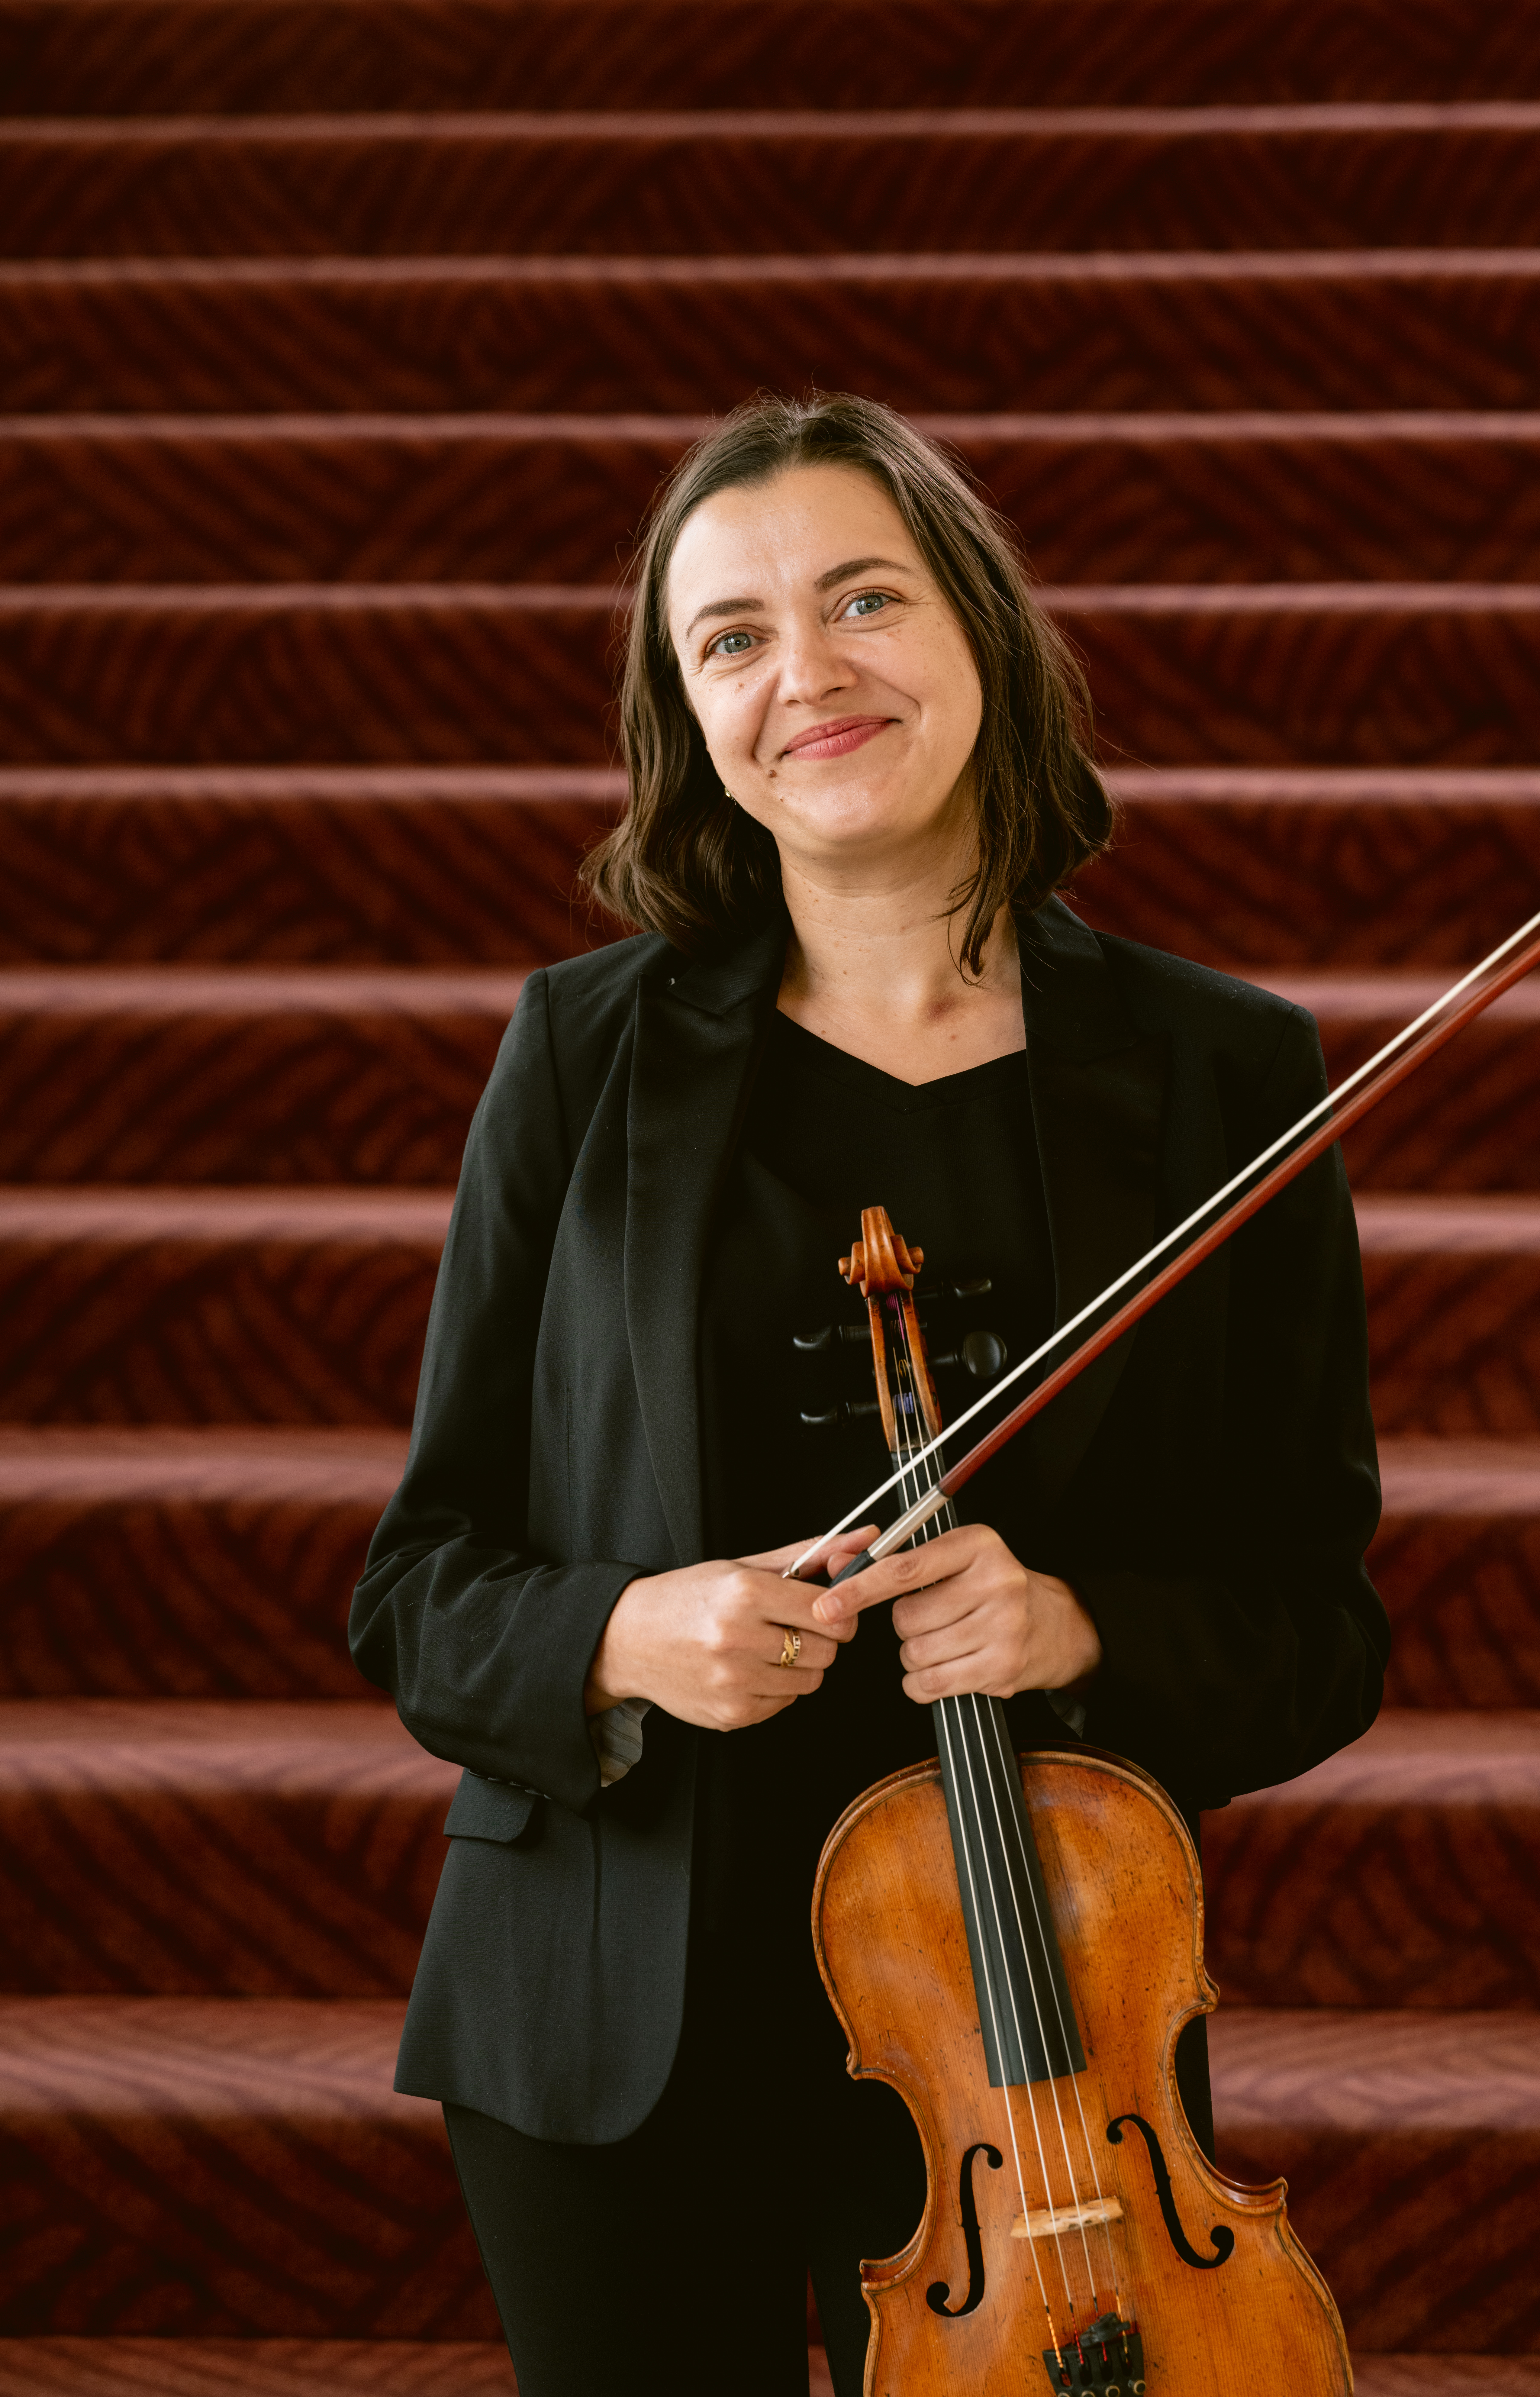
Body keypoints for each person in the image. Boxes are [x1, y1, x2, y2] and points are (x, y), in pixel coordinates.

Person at [348, 392, 1387, 2396]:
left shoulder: (1223, 1079)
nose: (803, 675)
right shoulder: (587, 1055)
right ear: (689, 720)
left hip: (1031, 2041)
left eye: (861, 601)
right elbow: (425, 1588)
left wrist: (1080, 1625)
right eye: (730, 638)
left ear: (980, 631)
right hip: (611, 2013)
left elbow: (1316, 1631)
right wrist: (626, 1631)